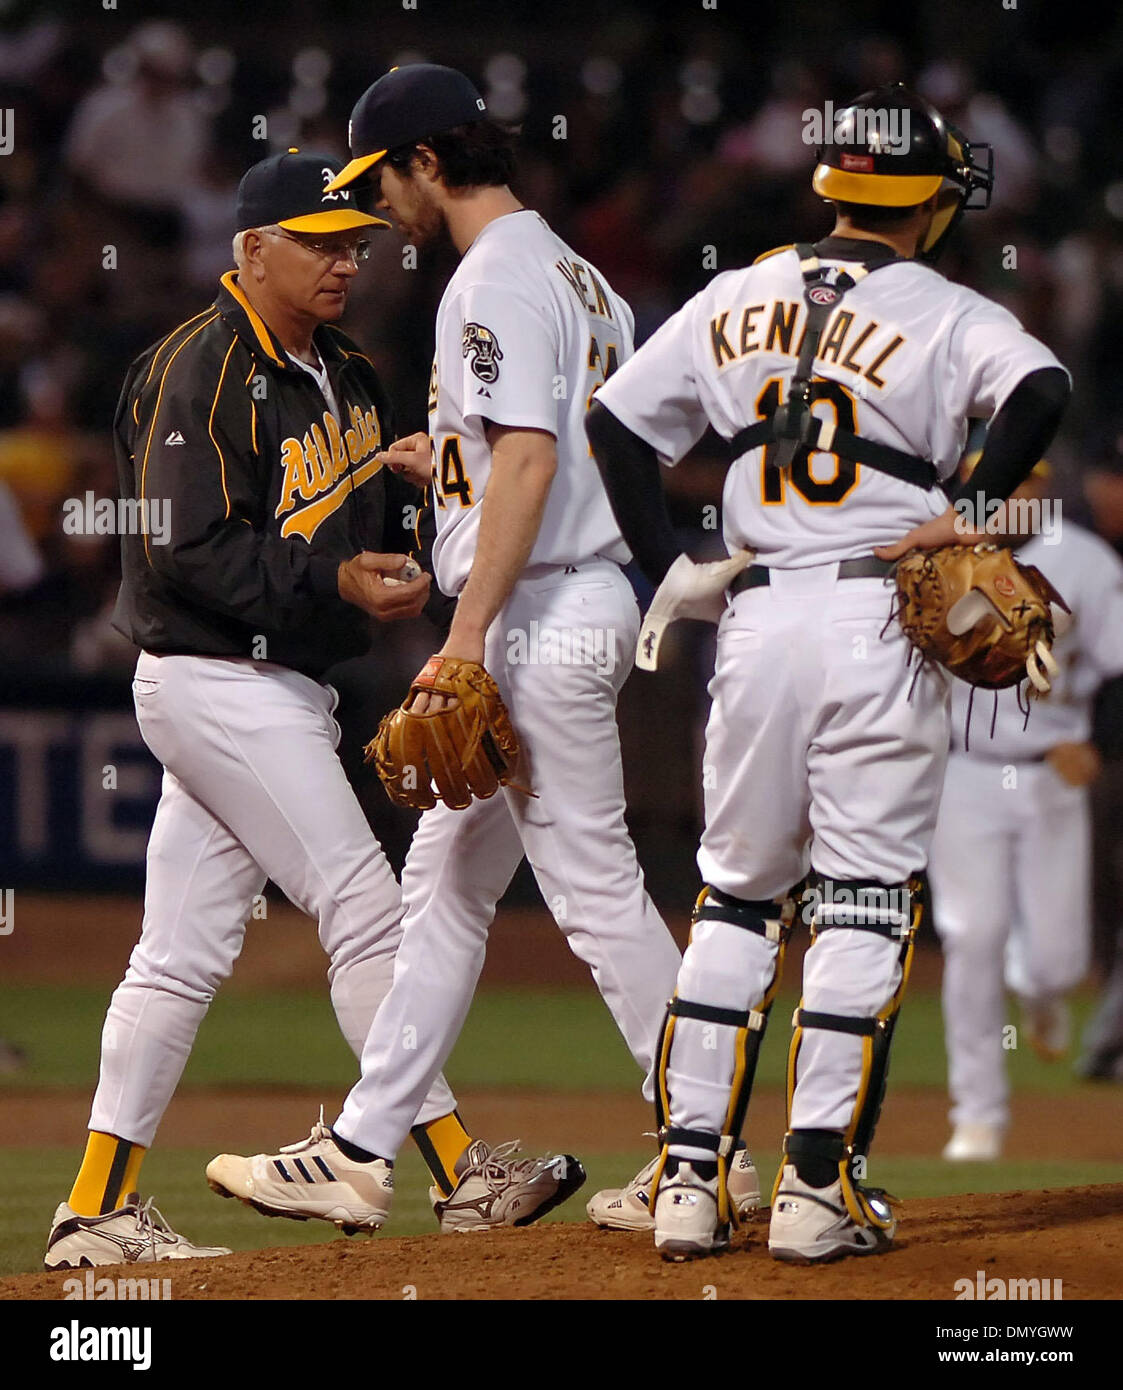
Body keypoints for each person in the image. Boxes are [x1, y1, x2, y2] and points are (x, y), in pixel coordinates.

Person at [203, 64, 758, 1238]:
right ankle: (360, 1150)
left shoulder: (494, 275)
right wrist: (443, 458)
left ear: (425, 161)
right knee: (444, 888)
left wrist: (462, 639)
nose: (376, 211)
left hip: (537, 615)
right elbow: (539, 445)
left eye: (379, 179)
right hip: (565, 593)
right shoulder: (579, 274)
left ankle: (708, 1149)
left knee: (596, 888)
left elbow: (531, 462)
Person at [45, 149, 568, 1270]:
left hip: (288, 684)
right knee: (368, 910)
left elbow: (354, 524)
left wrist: (416, 497)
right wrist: (331, 583)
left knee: (176, 956)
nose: (344, 259)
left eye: (352, 240)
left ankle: (95, 1210)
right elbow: (184, 551)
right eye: (319, 241)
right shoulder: (194, 367)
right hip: (212, 677)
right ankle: (454, 1171)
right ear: (251, 250)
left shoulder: (350, 369)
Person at [584, 84, 1070, 1262]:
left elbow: (614, 426)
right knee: (861, 896)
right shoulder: (945, 308)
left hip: (751, 616)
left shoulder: (733, 291)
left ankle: (689, 1181)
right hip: (877, 619)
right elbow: (1042, 390)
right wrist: (961, 511)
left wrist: (670, 568)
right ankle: (815, 1191)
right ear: (933, 204)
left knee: (735, 893)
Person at [930, 462, 1123, 1160]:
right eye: (997, 484)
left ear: (1041, 487)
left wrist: (1097, 741)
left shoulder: (1086, 561)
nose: (1014, 494)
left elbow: (1117, 665)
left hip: (1050, 776)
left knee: (1056, 962)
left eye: (1024, 480)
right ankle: (975, 1113)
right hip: (963, 774)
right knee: (970, 937)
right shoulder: (939, 559)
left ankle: (1036, 988)